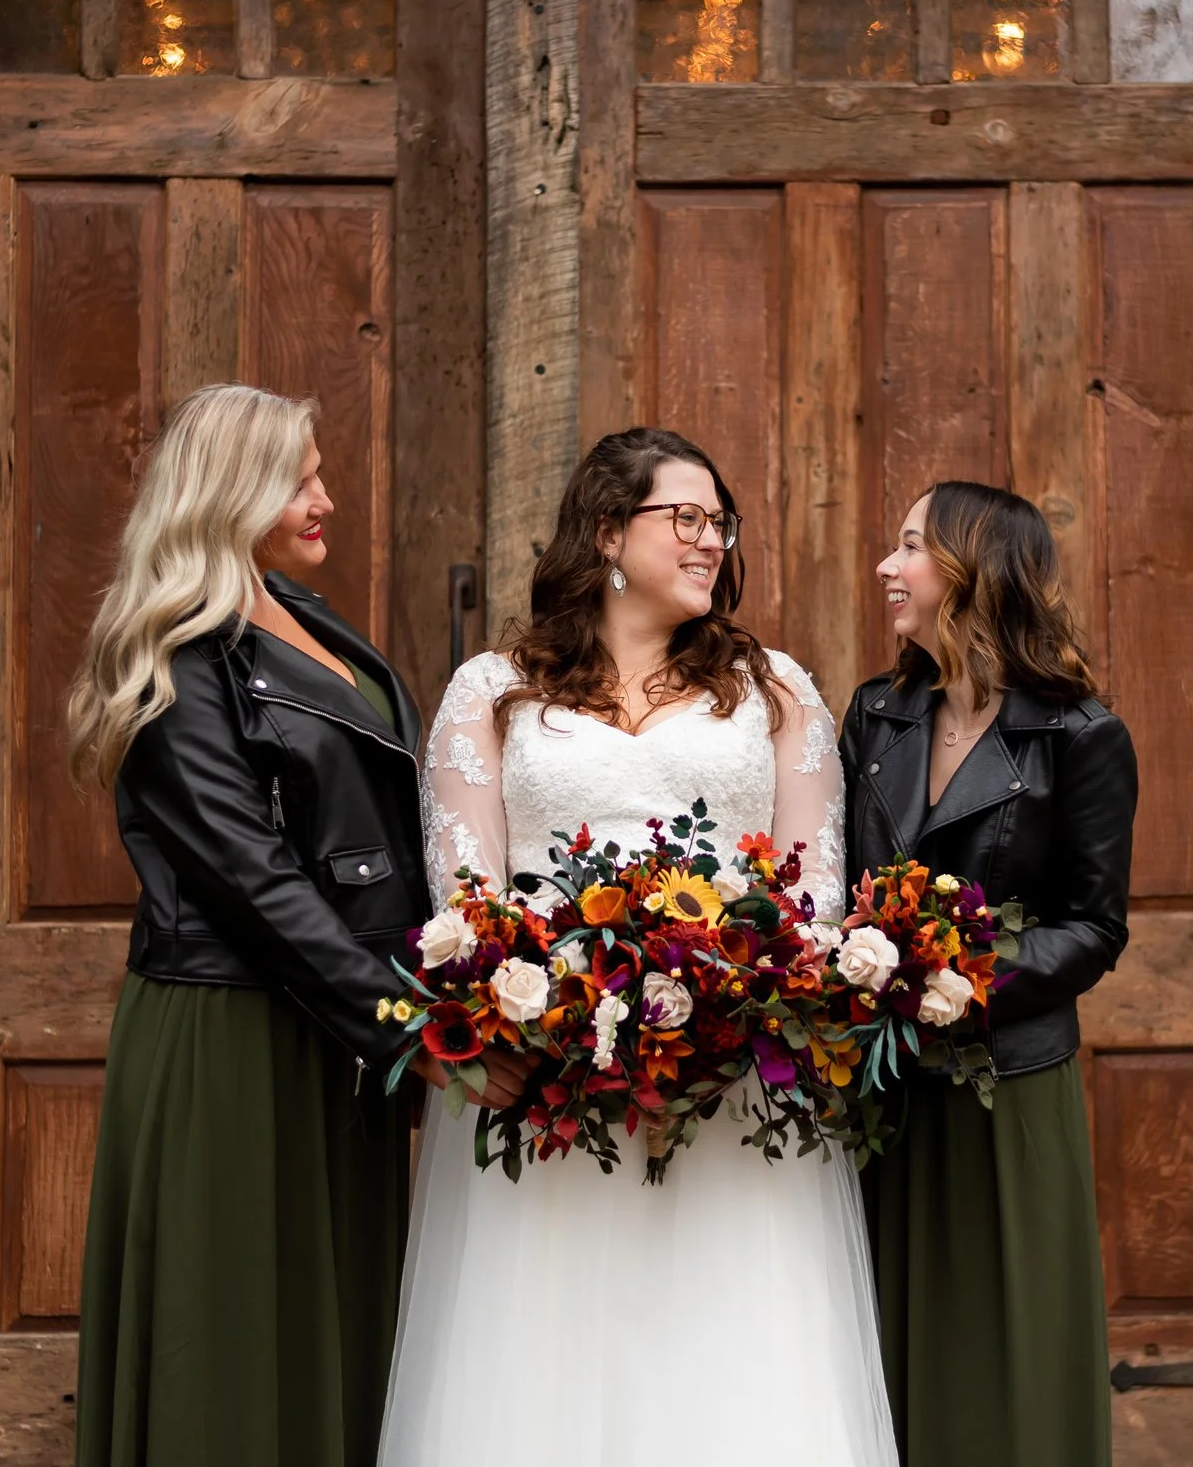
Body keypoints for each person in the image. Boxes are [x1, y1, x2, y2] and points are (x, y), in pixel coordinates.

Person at [381, 427, 896, 1466]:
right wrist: (543, 1018)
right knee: (542, 1359)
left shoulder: (776, 689)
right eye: (687, 519)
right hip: (547, 1087)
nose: (710, 542)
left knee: (731, 1350)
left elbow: (814, 900)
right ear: (609, 530)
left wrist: (723, 1014)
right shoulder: (492, 691)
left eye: (720, 523)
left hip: (729, 1084)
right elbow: (467, 908)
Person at [68, 384, 502, 1467]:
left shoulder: (301, 617)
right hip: (231, 1035)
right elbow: (252, 884)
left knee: (331, 1331)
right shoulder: (176, 656)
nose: (328, 497)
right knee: (227, 1349)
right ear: (233, 490)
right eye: (302, 477)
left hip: (331, 1034)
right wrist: (414, 1027)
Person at [841, 480, 1137, 1467]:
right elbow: (841, 884)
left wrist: (966, 982)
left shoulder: (1081, 735)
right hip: (880, 1086)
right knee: (878, 1334)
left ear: (974, 570)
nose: (888, 566)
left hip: (1005, 1084)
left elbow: (1093, 927)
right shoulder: (876, 717)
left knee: (1008, 1347)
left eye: (911, 546)